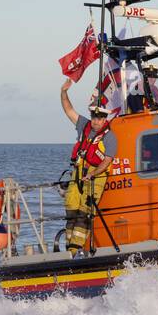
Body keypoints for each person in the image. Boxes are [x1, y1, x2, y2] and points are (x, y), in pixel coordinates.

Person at [59, 77, 115, 254]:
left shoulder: (109, 136)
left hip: (95, 176)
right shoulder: (84, 126)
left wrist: (93, 174)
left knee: (85, 212)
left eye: (99, 118)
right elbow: (68, 110)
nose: (96, 121)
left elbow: (107, 160)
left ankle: (76, 249)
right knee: (71, 209)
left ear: (105, 118)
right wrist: (64, 92)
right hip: (78, 172)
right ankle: (69, 249)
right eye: (94, 117)